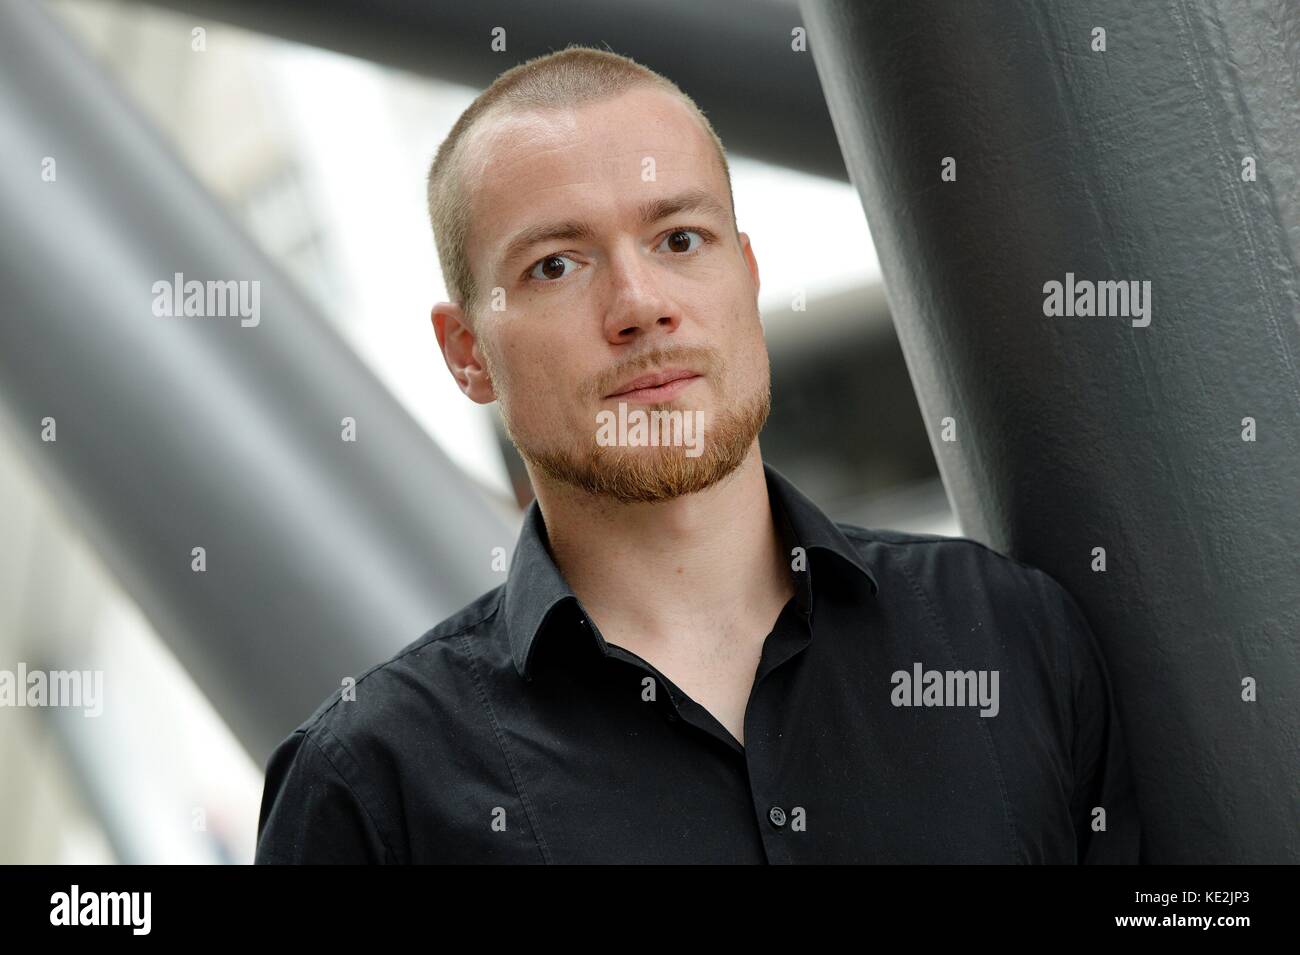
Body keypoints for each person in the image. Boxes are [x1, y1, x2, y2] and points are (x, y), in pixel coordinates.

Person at [255, 45, 1141, 864]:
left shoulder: (1009, 634)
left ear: (747, 275)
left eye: (680, 240)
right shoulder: (370, 788)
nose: (641, 304)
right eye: (556, 266)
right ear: (467, 352)